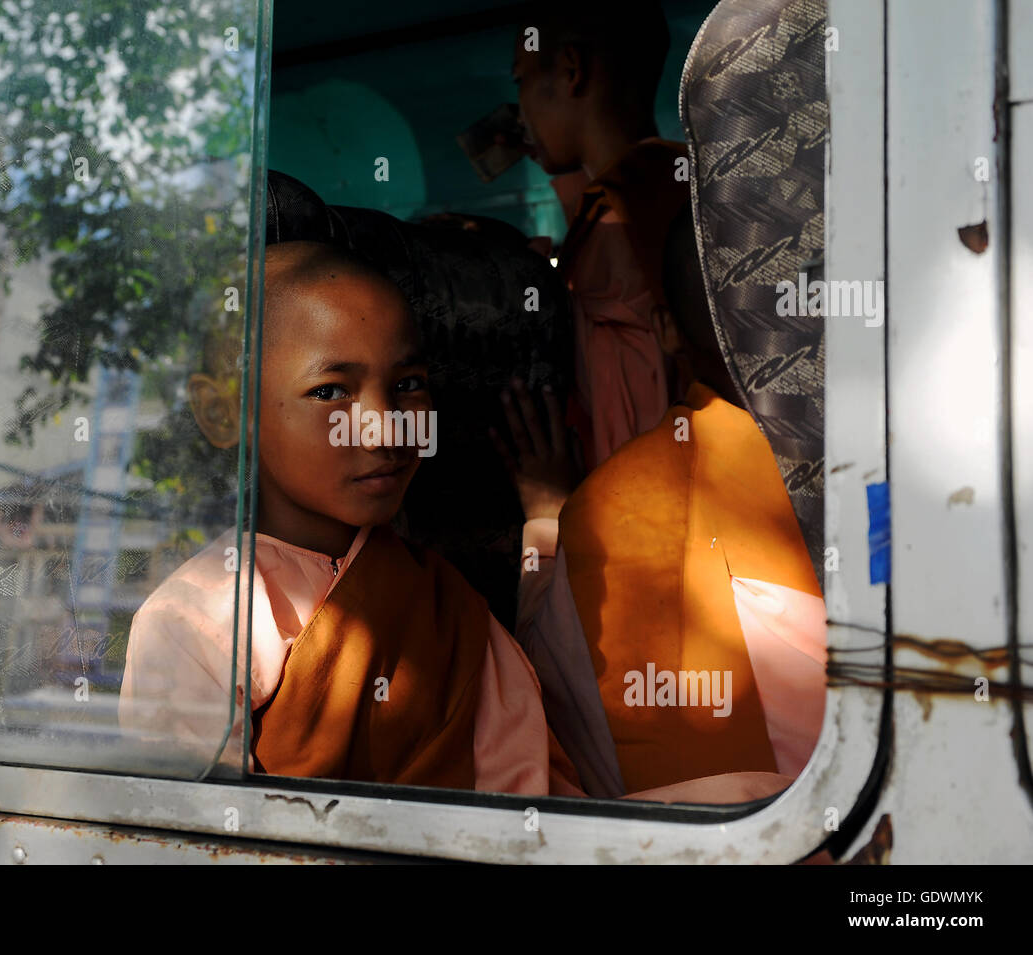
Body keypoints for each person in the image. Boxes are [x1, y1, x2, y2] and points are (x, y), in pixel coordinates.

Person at [120, 241, 582, 796]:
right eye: (330, 391)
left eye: (408, 384)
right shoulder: (199, 619)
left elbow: (537, 802)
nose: (385, 429)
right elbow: (207, 836)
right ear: (226, 412)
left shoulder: (444, 603)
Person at [498, 208, 826, 801]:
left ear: (664, 328)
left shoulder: (615, 510)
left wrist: (545, 522)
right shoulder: (929, 460)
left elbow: (553, 702)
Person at [512, 2, 690, 472]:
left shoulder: (617, 225)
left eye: (521, 81)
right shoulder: (675, 184)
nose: (519, 112)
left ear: (571, 71)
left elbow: (632, 441)